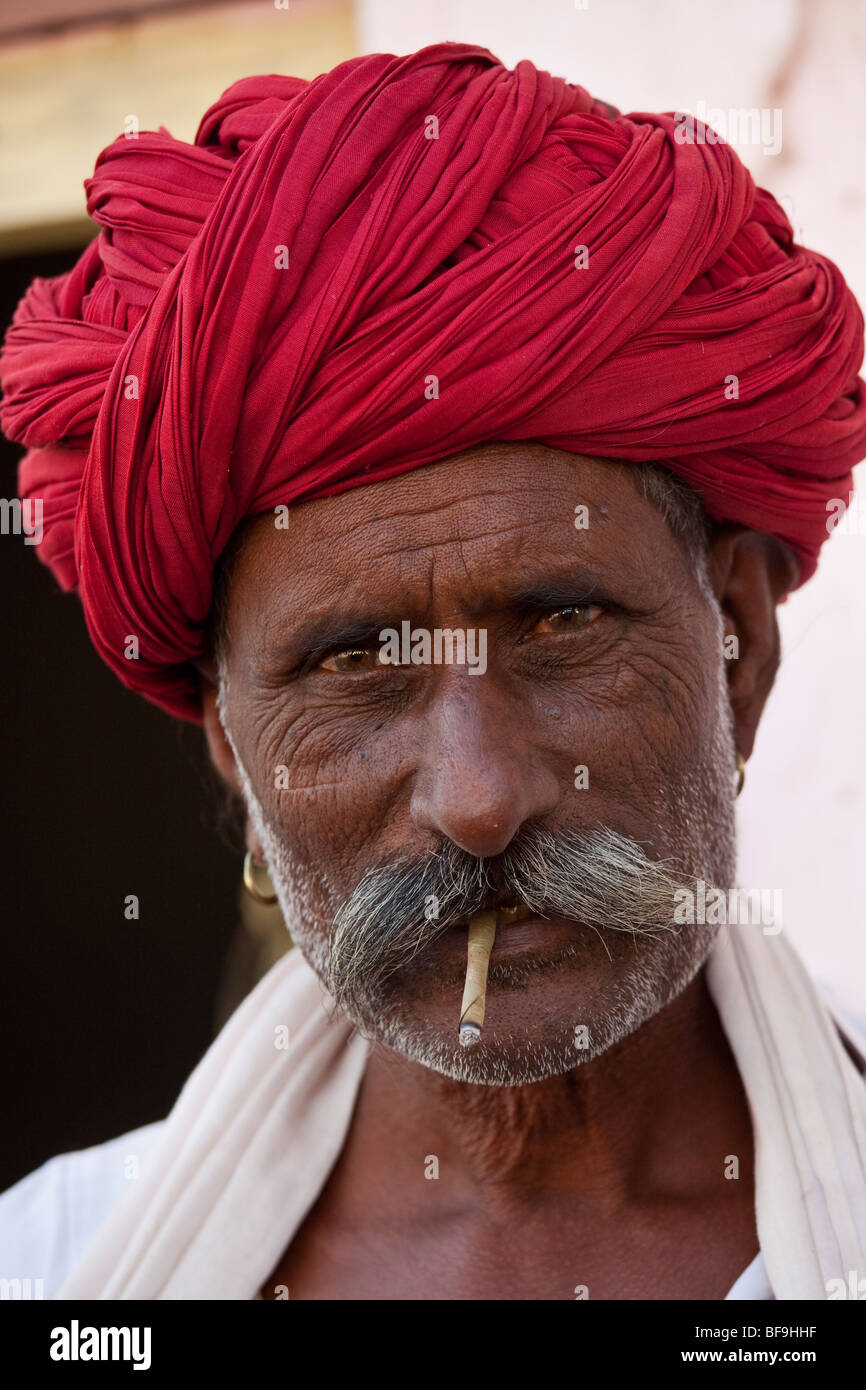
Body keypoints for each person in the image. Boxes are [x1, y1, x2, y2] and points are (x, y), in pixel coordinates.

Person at [1, 42, 865, 1301]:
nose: (476, 797)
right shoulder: (51, 1272)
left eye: (562, 623)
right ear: (231, 745)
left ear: (738, 642)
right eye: (354, 664)